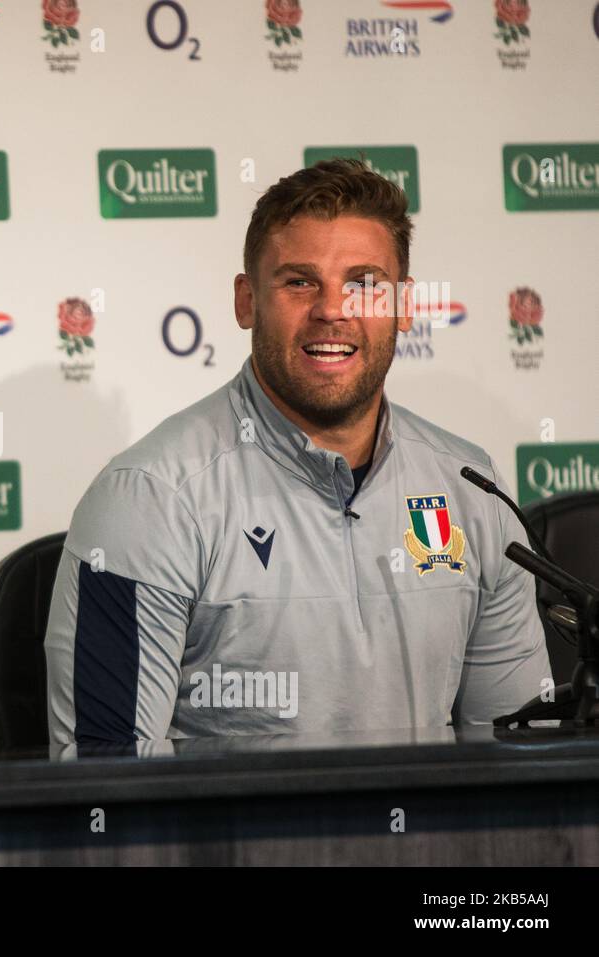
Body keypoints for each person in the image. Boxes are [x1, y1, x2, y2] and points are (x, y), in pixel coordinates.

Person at [45, 158, 550, 744]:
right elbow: (110, 780)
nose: (333, 310)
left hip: (431, 841)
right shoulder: (150, 496)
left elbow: (518, 759)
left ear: (404, 306)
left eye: (364, 284)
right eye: (299, 281)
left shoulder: (470, 487)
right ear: (246, 301)